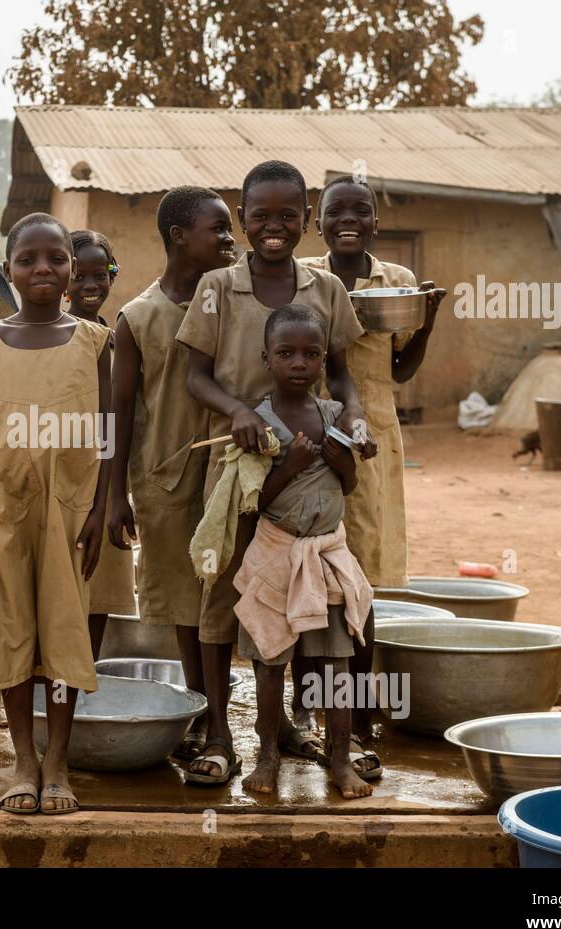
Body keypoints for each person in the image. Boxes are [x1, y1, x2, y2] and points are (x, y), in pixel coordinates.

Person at [175, 160, 371, 785]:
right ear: (243, 216)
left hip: (315, 471)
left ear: (307, 219)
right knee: (223, 602)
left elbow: (341, 373)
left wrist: (354, 418)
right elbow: (195, 375)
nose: (275, 228)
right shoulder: (216, 286)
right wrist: (236, 410)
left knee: (315, 606)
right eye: (261, 216)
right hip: (238, 471)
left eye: (289, 216)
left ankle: (300, 727)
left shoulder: (325, 290)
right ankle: (220, 734)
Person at [0, 212, 112, 815]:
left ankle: (58, 761)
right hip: (3, 507)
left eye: (55, 258)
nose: (43, 268)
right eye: (28, 260)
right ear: (8, 272)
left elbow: (108, 434)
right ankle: (24, 759)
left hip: (70, 509)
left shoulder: (95, 341)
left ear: (73, 269)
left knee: (64, 634)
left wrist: (103, 504)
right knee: (12, 630)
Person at [297, 174, 448, 770]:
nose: (348, 220)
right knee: (307, 572)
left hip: (373, 441)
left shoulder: (398, 284)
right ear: (321, 222)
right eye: (336, 211)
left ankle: (359, 713)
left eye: (361, 211)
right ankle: (307, 709)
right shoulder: (304, 279)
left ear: (375, 223)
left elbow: (402, 367)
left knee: (359, 580)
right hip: (309, 434)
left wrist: (429, 319)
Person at [106, 186, 236, 759]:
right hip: (165, 479)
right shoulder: (138, 318)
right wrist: (113, 497)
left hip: (234, 476)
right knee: (187, 605)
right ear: (180, 237)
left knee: (228, 597)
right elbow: (119, 414)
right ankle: (203, 712)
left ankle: (226, 719)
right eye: (220, 228)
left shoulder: (238, 302)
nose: (231, 239)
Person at [231, 303, 375, 799]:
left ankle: (339, 760)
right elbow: (251, 504)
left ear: (322, 363)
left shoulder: (335, 415)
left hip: (327, 556)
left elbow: (349, 488)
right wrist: (289, 467)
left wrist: (345, 463)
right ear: (265, 357)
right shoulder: (257, 422)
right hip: (275, 555)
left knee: (336, 665)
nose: (299, 363)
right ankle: (267, 755)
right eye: (286, 353)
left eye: (311, 355)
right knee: (270, 662)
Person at [64, 230, 137, 655]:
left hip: (106, 481)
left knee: (102, 580)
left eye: (101, 273)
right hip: (62, 479)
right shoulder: (51, 336)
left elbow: (119, 421)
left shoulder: (118, 338)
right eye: (78, 274)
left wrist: (116, 494)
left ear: (114, 274)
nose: (90, 285)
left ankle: (85, 672)